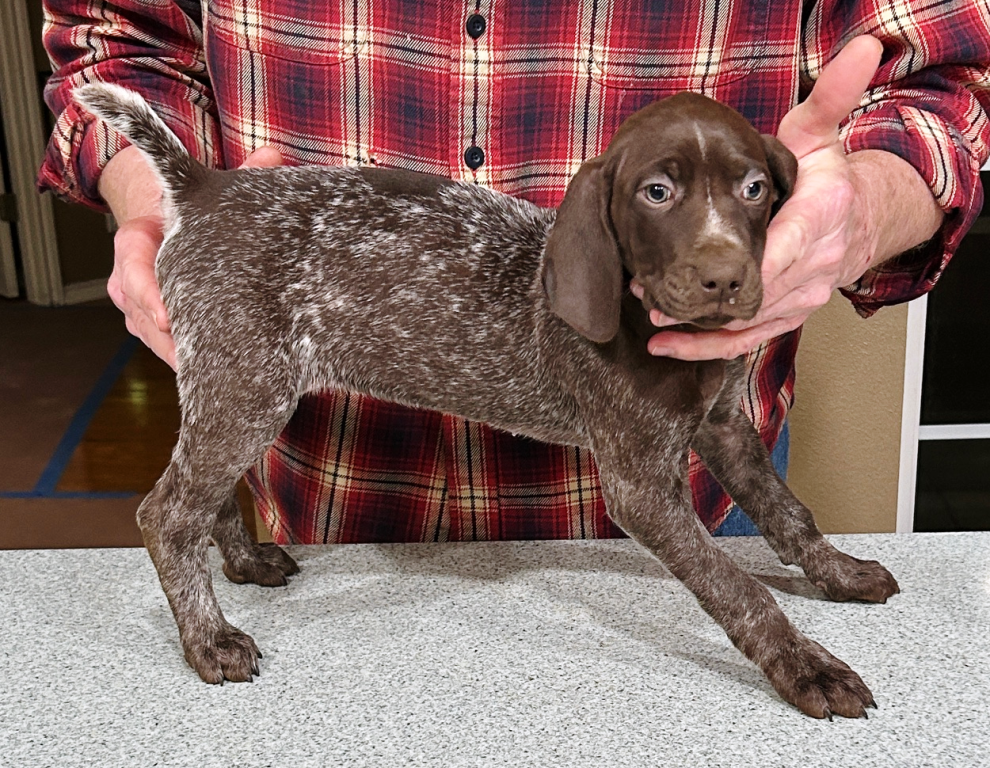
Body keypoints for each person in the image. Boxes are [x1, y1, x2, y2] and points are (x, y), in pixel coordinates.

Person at [39, 2, 989, 545]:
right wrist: (161, 212)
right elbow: (116, 40)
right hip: (325, 496)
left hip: (685, 486)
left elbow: (942, 80)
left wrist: (862, 205)